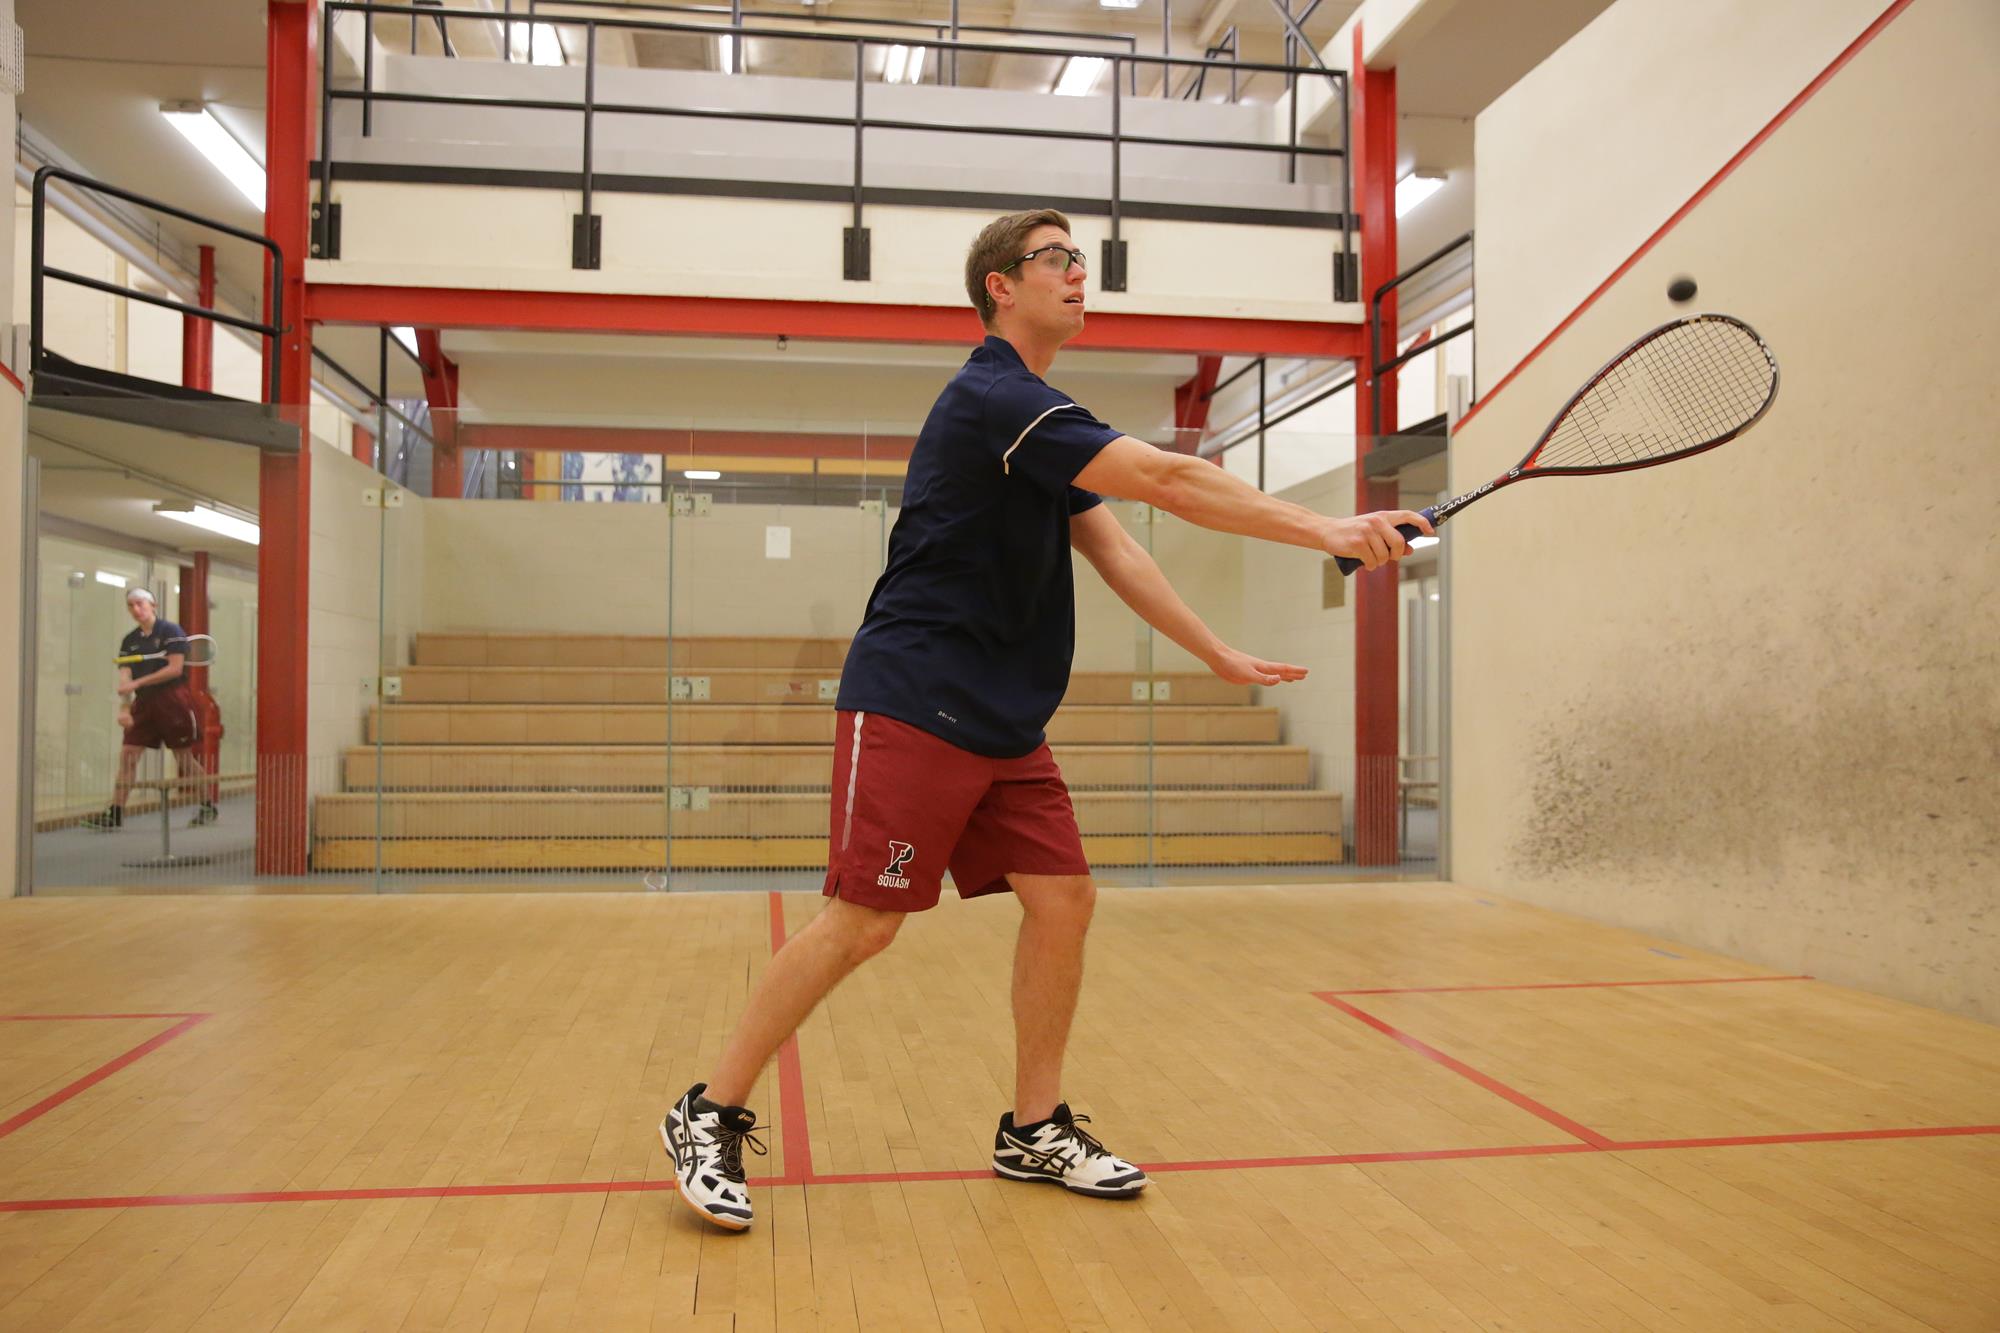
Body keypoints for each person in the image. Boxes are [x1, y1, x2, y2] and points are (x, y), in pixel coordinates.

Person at [660, 208, 1432, 1231]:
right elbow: (1166, 476)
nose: (1079, 277)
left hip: (1004, 719)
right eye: (1056, 260)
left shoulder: (1040, 421)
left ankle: (1032, 1130)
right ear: (999, 287)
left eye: (1082, 261)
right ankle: (707, 1111)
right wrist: (1326, 527)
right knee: (865, 922)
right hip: (913, 697)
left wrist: (1213, 650)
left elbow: (1118, 548)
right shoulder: (995, 397)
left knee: (1062, 900)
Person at [80, 587, 216, 830]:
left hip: (174, 700)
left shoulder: (171, 631)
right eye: (131, 605)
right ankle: (115, 812)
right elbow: (125, 678)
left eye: (140, 604)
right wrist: (124, 708)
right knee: (128, 756)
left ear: (153, 605)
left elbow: (174, 668)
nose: (136, 609)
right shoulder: (129, 641)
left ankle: (207, 804)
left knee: (183, 758)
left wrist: (137, 683)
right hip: (143, 704)